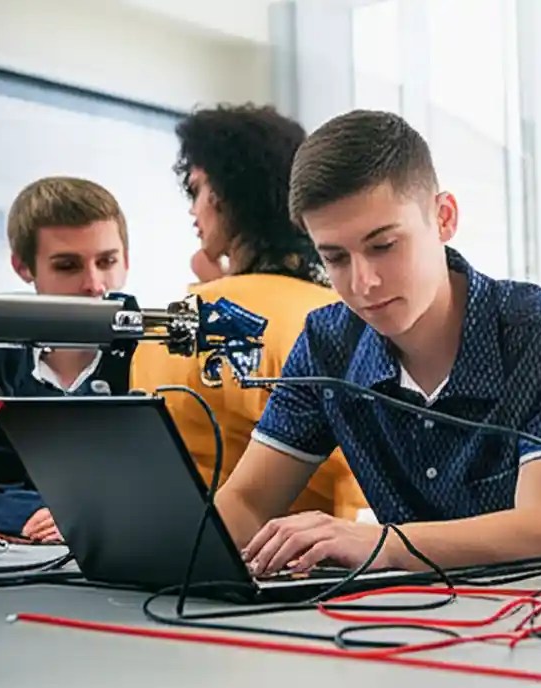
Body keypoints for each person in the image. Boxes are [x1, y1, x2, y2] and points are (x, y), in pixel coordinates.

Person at [214, 109, 541, 574]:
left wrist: (381, 544)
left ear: (443, 218)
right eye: (336, 258)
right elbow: (246, 502)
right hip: (395, 624)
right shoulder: (326, 342)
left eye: (384, 245)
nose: (363, 282)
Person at [130, 104, 366, 521]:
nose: (193, 210)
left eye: (195, 189)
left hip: (181, 550)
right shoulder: (342, 317)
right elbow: (362, 473)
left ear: (223, 193)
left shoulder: (176, 325)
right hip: (316, 565)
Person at [0, 177, 130, 541]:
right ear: (23, 267)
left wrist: (79, 513)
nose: (95, 284)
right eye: (68, 266)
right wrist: (27, 511)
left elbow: (175, 488)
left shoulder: (157, 349)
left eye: (107, 261)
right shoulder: (3, 356)